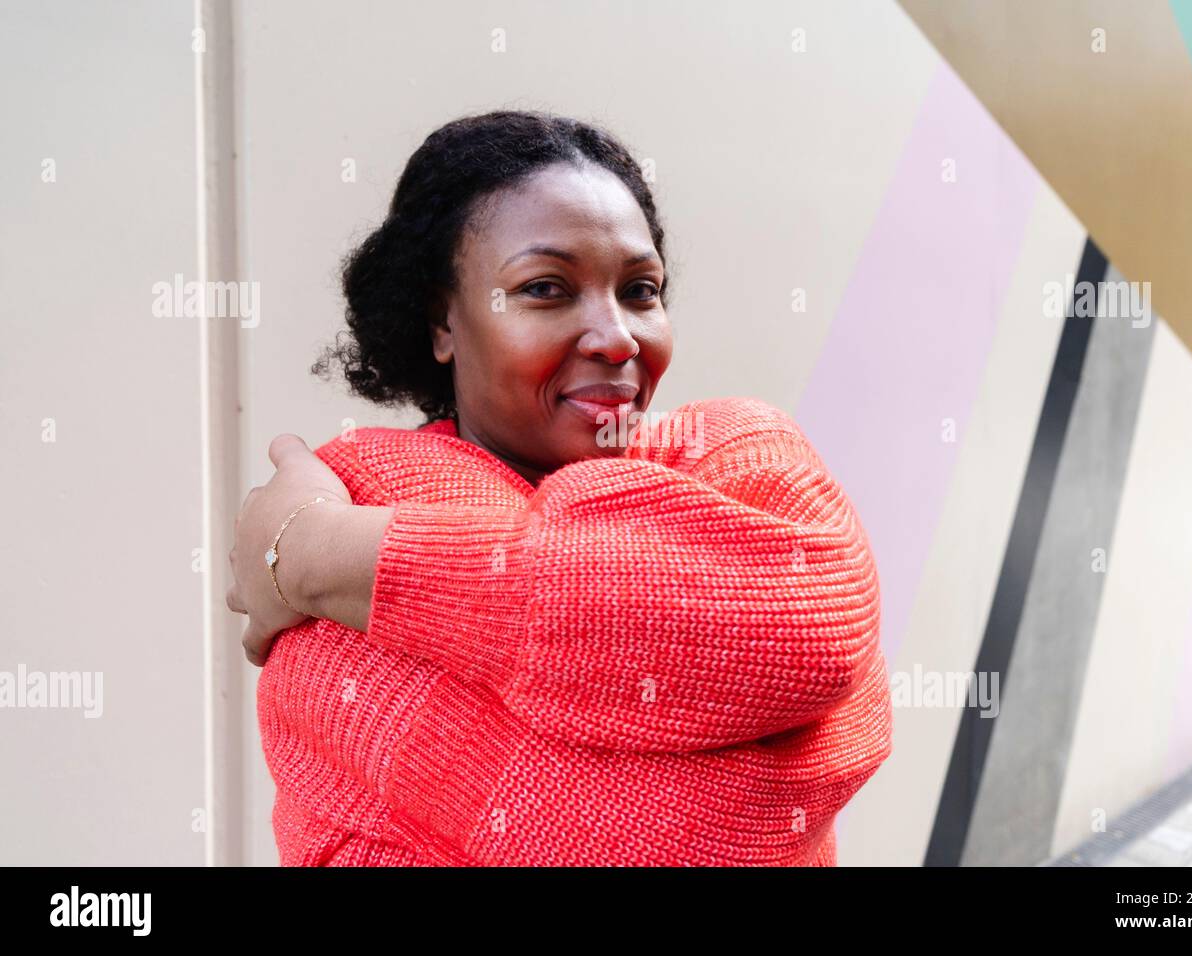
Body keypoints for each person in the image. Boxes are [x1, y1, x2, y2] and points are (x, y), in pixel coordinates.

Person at [226, 109, 892, 866]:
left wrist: (327, 555)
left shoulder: (741, 454)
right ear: (443, 321)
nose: (616, 337)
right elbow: (667, 830)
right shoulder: (364, 492)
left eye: (641, 290)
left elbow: (815, 628)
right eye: (546, 289)